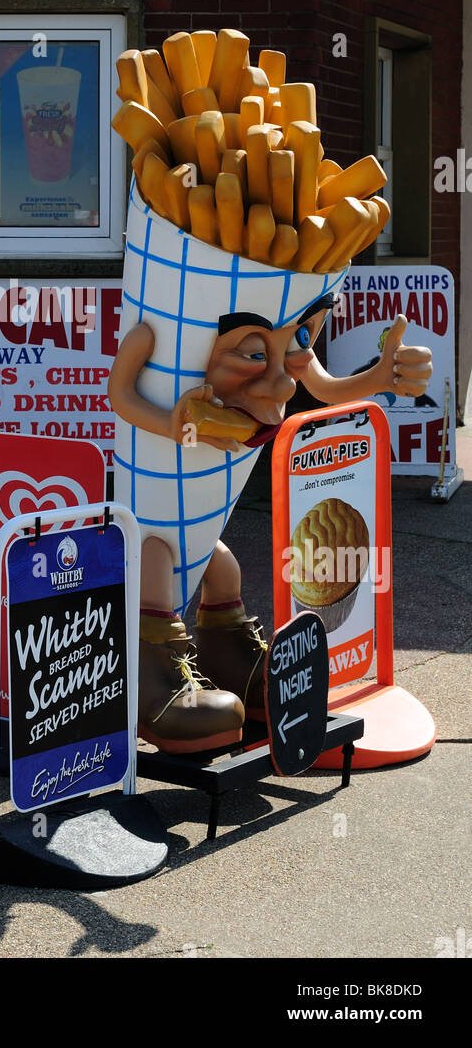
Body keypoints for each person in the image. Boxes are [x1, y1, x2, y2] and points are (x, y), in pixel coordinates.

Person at [109, 208, 433, 754]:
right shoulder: (151, 336)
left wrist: (381, 379)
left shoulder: (289, 361)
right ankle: (151, 677)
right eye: (254, 352)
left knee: (220, 561)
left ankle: (227, 652)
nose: (281, 382)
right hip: (156, 488)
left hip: (210, 477)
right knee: (157, 558)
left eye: (300, 338)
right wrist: (169, 422)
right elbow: (121, 396)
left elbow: (322, 387)